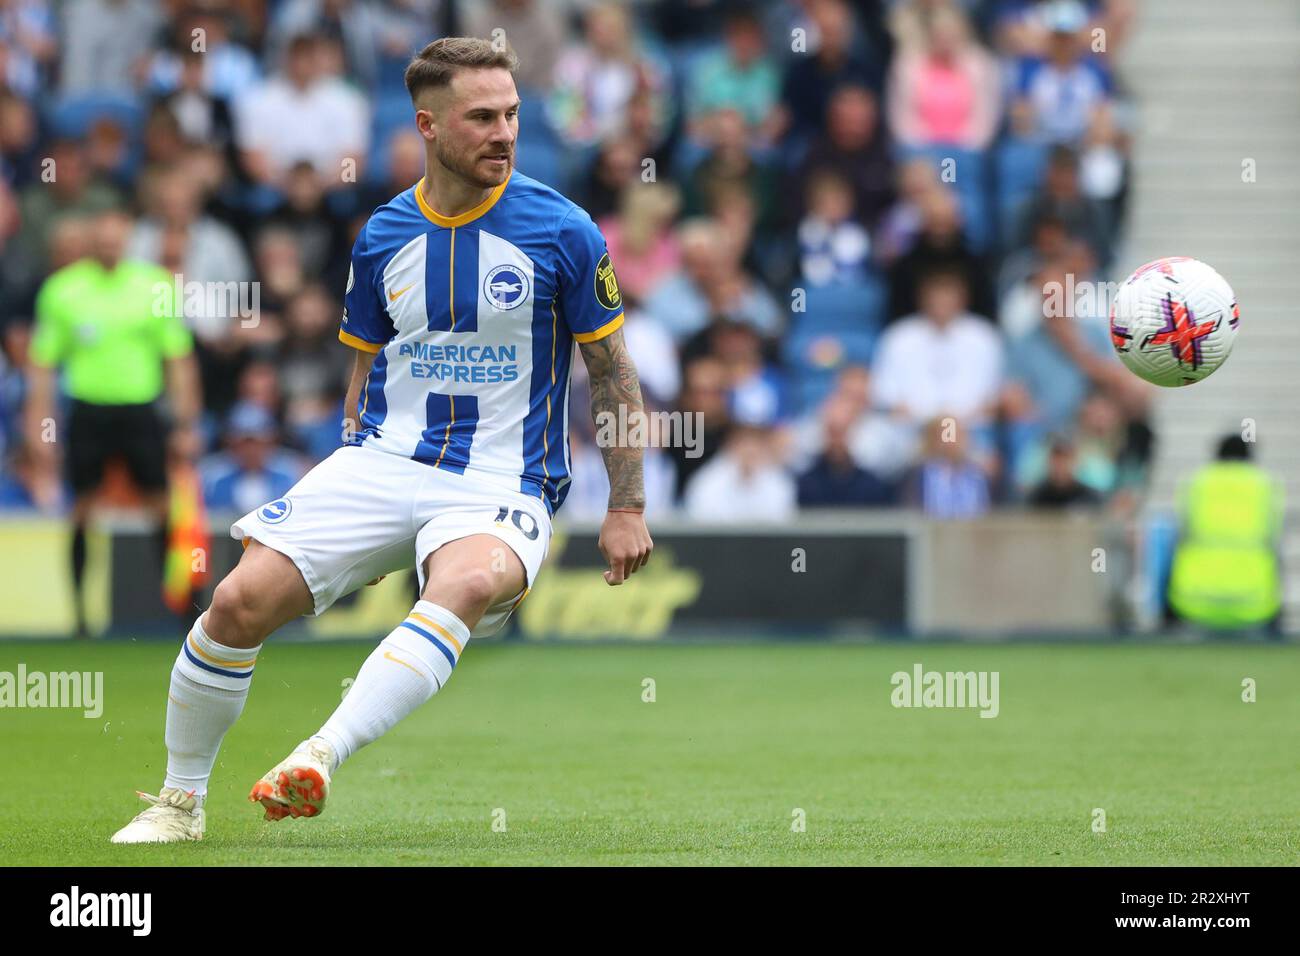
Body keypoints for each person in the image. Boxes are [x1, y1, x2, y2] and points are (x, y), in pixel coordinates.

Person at [110, 38, 654, 844]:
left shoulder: (564, 230)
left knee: (464, 584)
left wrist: (628, 505)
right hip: (384, 461)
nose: (504, 132)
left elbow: (612, 373)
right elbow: (363, 365)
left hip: (503, 482)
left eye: (510, 115)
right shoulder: (382, 234)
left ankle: (319, 755)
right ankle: (177, 804)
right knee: (234, 602)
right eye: (481, 118)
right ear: (428, 126)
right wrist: (355, 475)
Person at [24, 206, 201, 638]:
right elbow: (43, 365)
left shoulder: (154, 286)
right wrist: (37, 425)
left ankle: (179, 614)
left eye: (114, 239)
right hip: (88, 410)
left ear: (126, 240)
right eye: (100, 240)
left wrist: (184, 422)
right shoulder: (63, 291)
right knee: (82, 510)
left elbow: (178, 358)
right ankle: (81, 617)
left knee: (162, 507)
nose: (108, 246)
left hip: (140, 410)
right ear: (90, 243)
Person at [1167, 436, 1284, 633]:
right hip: (1253, 605)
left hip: (1195, 604)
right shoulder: (1266, 485)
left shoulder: (1195, 482)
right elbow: (1274, 544)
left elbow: (1179, 537)